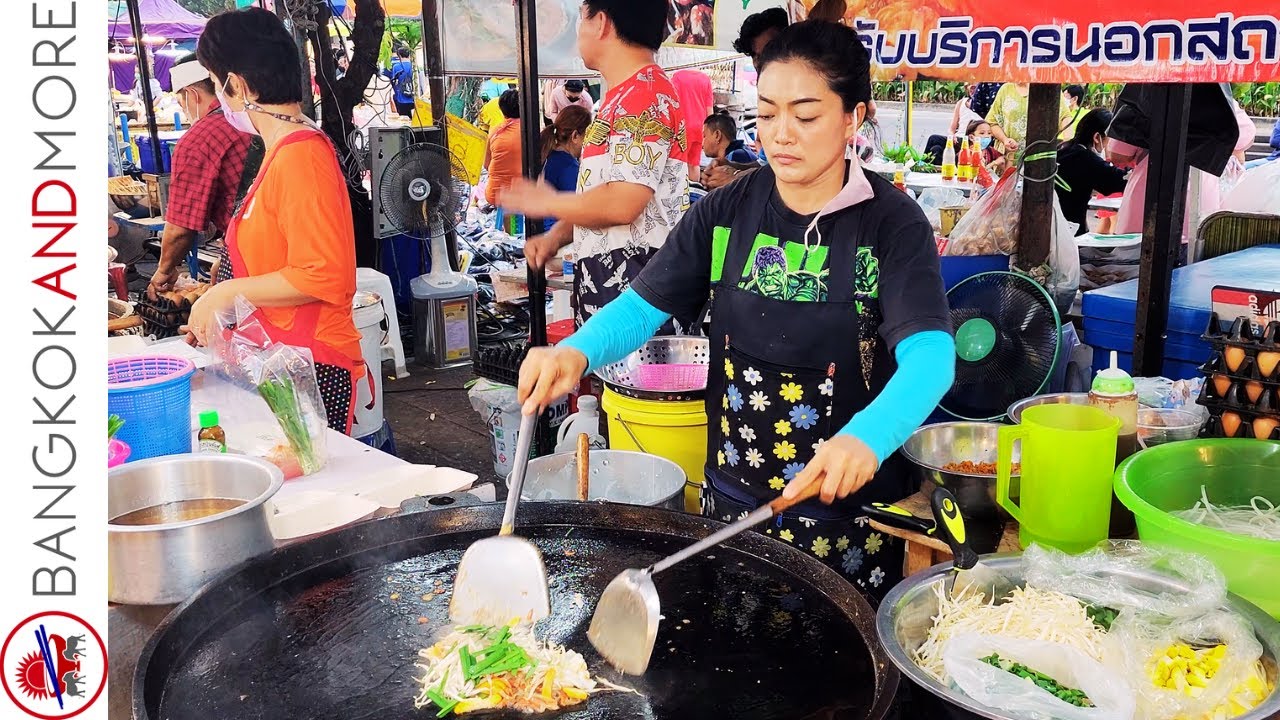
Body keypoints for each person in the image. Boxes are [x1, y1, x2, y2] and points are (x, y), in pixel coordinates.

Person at [516, 20, 955, 598]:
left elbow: (931, 357)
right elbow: (644, 305)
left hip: (848, 520)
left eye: (805, 116)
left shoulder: (892, 224)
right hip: (733, 504)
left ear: (853, 118)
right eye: (768, 114)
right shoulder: (725, 211)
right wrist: (575, 352)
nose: (781, 135)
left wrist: (869, 437)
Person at [186, 7, 364, 433]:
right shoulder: (281, 151)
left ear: (236, 85)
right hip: (281, 356)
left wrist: (224, 293)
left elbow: (322, 274)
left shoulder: (301, 156)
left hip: (311, 363)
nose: (217, 96)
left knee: (309, 471)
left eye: (214, 81)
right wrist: (222, 291)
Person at [498, 0, 695, 330]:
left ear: (601, 22)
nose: (578, 31)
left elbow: (622, 203)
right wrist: (556, 236)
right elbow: (603, 194)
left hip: (639, 300)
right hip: (617, 295)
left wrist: (548, 202)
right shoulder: (622, 97)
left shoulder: (644, 94)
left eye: (581, 18)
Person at [149, 54, 261, 296]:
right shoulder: (260, 117)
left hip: (256, 256)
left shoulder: (200, 137)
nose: (185, 110)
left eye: (181, 102)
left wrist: (164, 271)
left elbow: (180, 229)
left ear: (192, 94)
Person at [1054, 108, 1128, 236]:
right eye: (1111, 140)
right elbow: (1118, 180)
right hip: (1069, 232)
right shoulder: (1085, 158)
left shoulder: (1063, 148)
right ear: (1097, 137)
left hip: (1056, 225)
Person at [539, 105, 592, 228]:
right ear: (575, 136)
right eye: (587, 136)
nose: (589, 142)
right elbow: (580, 210)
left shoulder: (549, 154)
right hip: (555, 231)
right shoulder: (568, 167)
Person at [671, 69, 714, 181]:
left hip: (682, 128)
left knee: (678, 163)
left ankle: (680, 191)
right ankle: (694, 190)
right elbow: (709, 109)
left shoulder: (677, 77)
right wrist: (710, 132)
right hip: (700, 128)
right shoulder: (705, 79)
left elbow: (672, 103)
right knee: (694, 164)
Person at [483, 89, 523, 207]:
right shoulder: (531, 130)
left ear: (502, 110)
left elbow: (486, 165)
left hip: (495, 195)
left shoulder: (494, 132)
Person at [701, 112, 758, 190]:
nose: (702, 143)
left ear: (717, 135)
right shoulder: (739, 152)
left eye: (704, 136)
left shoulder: (737, 155)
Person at [384, 46, 418, 117]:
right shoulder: (414, 66)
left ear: (399, 55)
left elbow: (394, 82)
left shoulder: (396, 67)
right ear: (409, 55)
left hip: (401, 99)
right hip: (414, 99)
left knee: (403, 119)